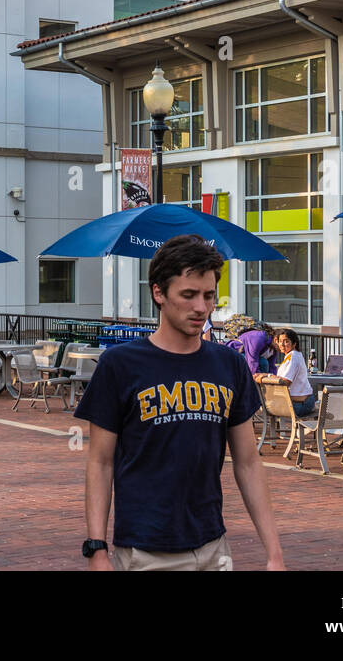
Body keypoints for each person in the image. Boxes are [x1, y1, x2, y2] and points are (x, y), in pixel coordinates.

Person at [75, 234, 285, 572]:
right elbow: (101, 463)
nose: (201, 308)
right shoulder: (120, 365)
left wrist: (274, 553)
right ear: (159, 292)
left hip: (214, 546)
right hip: (146, 551)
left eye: (208, 296)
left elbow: (247, 462)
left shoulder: (228, 365)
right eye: (188, 295)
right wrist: (97, 549)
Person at [256, 328, 316, 417]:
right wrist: (265, 375)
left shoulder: (294, 356)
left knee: (257, 404)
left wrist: (267, 376)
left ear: (294, 343)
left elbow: (285, 381)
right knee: (258, 403)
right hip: (296, 402)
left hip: (301, 404)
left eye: (286, 341)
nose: (282, 344)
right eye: (280, 341)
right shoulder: (291, 356)